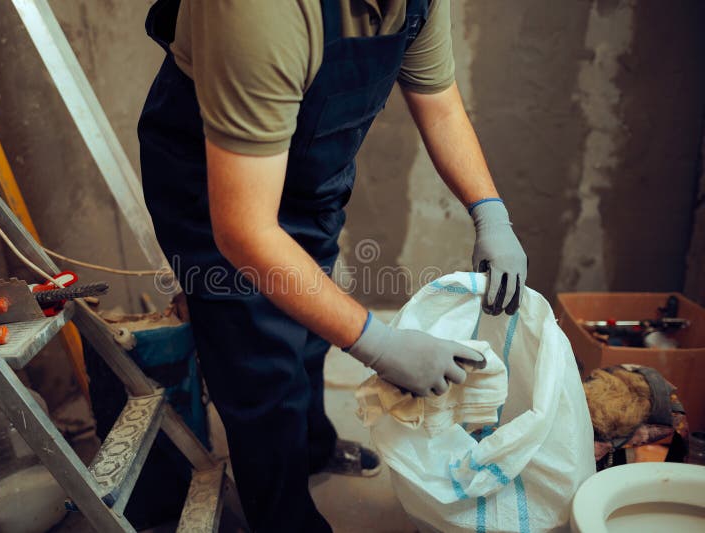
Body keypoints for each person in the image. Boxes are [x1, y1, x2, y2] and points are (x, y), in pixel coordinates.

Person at [138, 1, 528, 531]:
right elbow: (247, 232)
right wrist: (380, 346)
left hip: (309, 171)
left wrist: (490, 212)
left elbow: (437, 98)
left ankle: (313, 446)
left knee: (310, 329)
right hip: (213, 180)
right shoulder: (260, 12)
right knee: (260, 365)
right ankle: (285, 517)